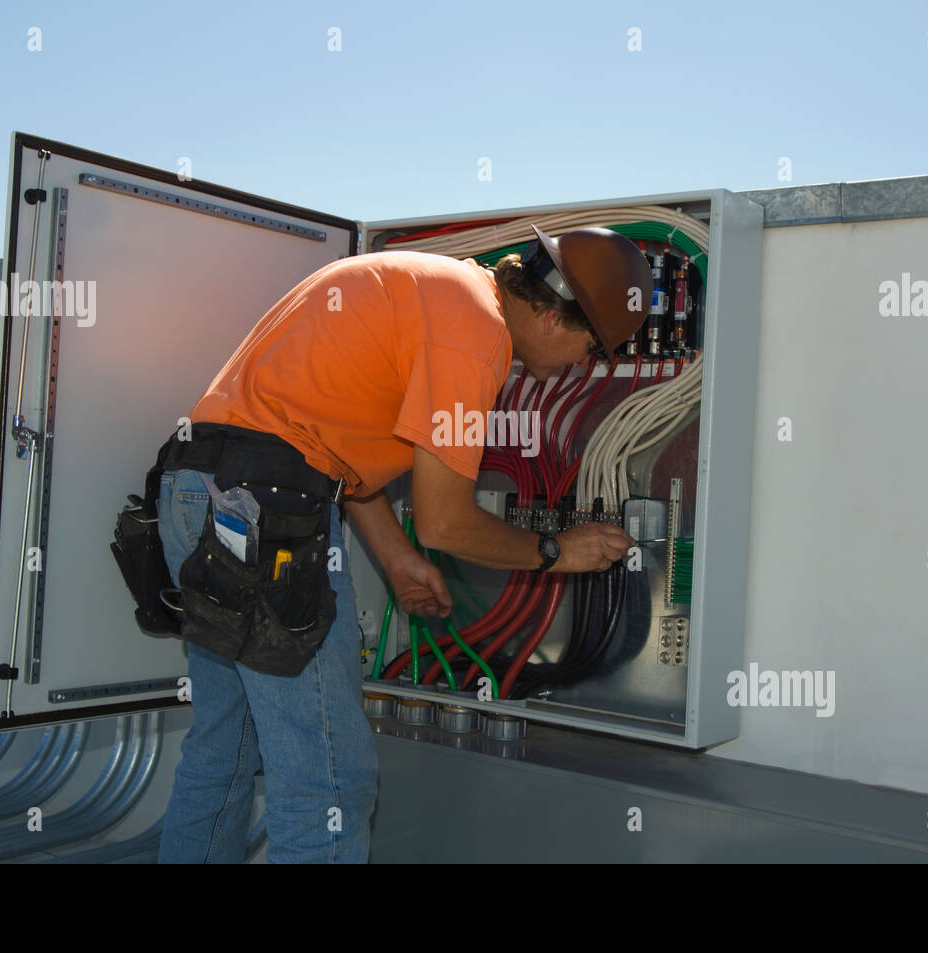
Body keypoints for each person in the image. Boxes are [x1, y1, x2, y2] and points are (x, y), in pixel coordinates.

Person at [155, 225, 652, 863]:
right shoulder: (475, 334)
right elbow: (445, 522)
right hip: (267, 518)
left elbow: (333, 452)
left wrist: (396, 560)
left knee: (225, 748)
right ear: (556, 314)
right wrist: (558, 551)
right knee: (326, 780)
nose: (583, 364)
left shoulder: (439, 291)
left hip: (198, 494)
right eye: (592, 345)